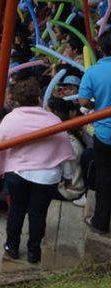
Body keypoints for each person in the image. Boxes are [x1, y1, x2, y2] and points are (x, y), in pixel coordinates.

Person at [0, 78, 77, 263]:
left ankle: (12, 246)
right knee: (38, 214)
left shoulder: (10, 119)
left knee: (16, 209)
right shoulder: (53, 120)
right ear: (40, 99)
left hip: (17, 173)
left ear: (16, 101)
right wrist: (68, 176)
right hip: (47, 175)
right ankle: (34, 251)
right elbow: (65, 149)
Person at [82, 30, 111, 235]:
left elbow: (83, 102)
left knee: (105, 178)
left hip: (105, 134)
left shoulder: (93, 72)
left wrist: (98, 103)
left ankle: (100, 222)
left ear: (101, 50)